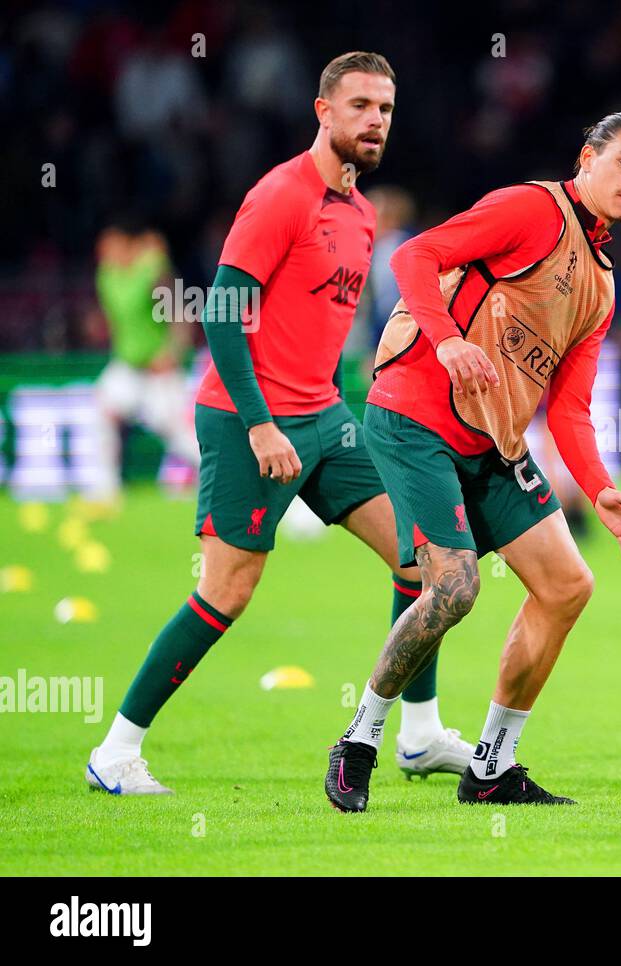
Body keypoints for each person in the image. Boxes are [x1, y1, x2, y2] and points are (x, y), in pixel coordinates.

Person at [86, 51, 472, 796]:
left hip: (326, 416)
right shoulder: (279, 196)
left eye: (385, 109)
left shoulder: (363, 216)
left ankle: (419, 735)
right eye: (359, 105)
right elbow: (224, 315)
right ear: (323, 112)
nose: (375, 121)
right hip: (246, 419)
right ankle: (117, 750)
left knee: (423, 558)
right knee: (226, 592)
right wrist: (263, 425)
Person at [324, 113, 621, 812]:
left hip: (491, 443)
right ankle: (360, 739)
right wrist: (445, 341)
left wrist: (598, 491)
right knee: (455, 588)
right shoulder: (530, 209)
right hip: (415, 412)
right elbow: (412, 257)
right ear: (587, 157)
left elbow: (568, 408)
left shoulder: (600, 284)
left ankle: (490, 769)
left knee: (568, 585)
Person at [91, 220, 200, 504]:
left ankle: (222, 480)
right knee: (103, 409)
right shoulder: (107, 276)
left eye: (112, 245)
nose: (105, 252)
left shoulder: (152, 271)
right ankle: (106, 489)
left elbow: (180, 314)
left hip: (158, 370)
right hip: (127, 367)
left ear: (129, 244)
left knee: (179, 436)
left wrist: (173, 353)